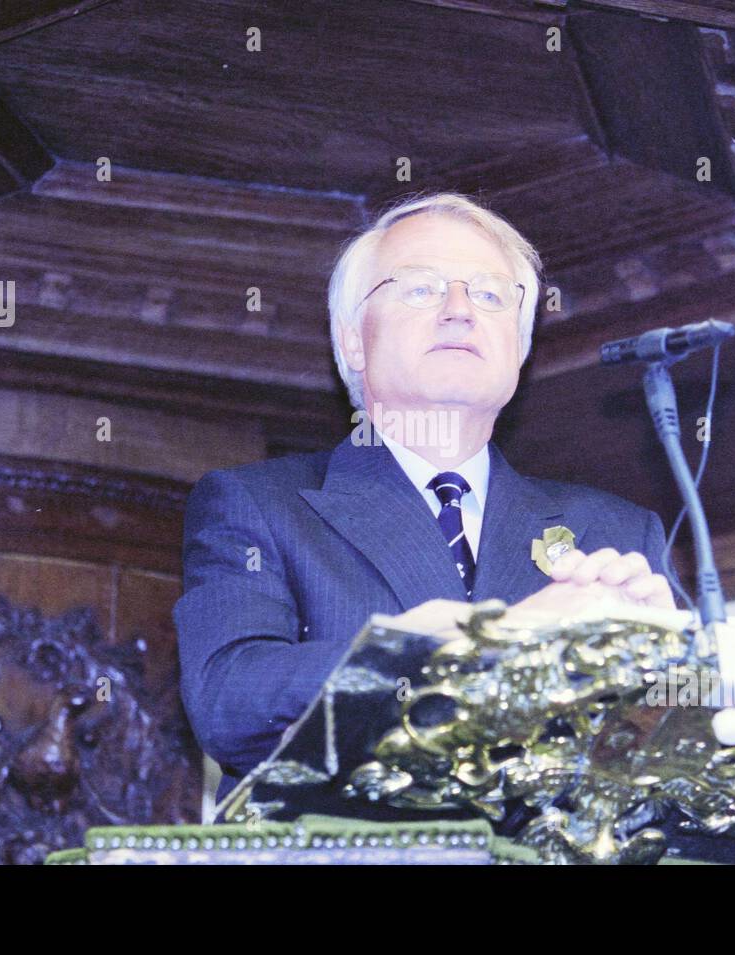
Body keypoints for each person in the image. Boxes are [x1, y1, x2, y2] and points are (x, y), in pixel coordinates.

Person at [174, 192, 676, 804]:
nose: (461, 310)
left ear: (518, 349)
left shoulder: (618, 532)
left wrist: (663, 668)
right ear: (354, 339)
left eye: (490, 295)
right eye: (420, 288)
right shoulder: (260, 505)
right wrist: (481, 637)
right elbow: (232, 702)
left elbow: (677, 768)